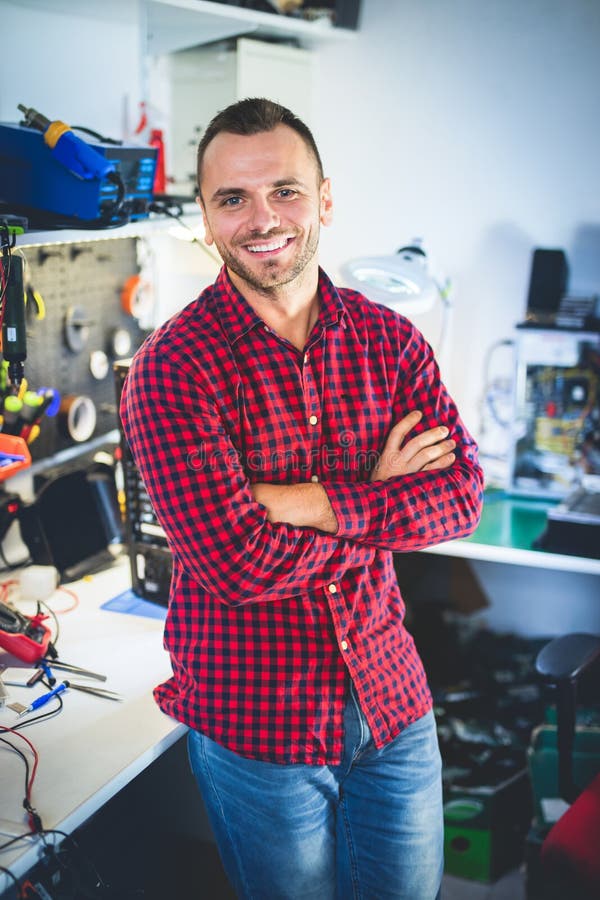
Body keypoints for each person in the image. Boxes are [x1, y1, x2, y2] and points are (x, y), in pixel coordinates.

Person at [120, 97, 483, 899]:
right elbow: (238, 565)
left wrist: (312, 501)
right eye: (233, 198)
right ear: (205, 218)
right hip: (258, 726)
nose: (262, 219)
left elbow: (461, 499)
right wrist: (379, 498)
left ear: (324, 198)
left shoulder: (390, 341)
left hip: (391, 704)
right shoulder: (171, 371)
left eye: (284, 190)